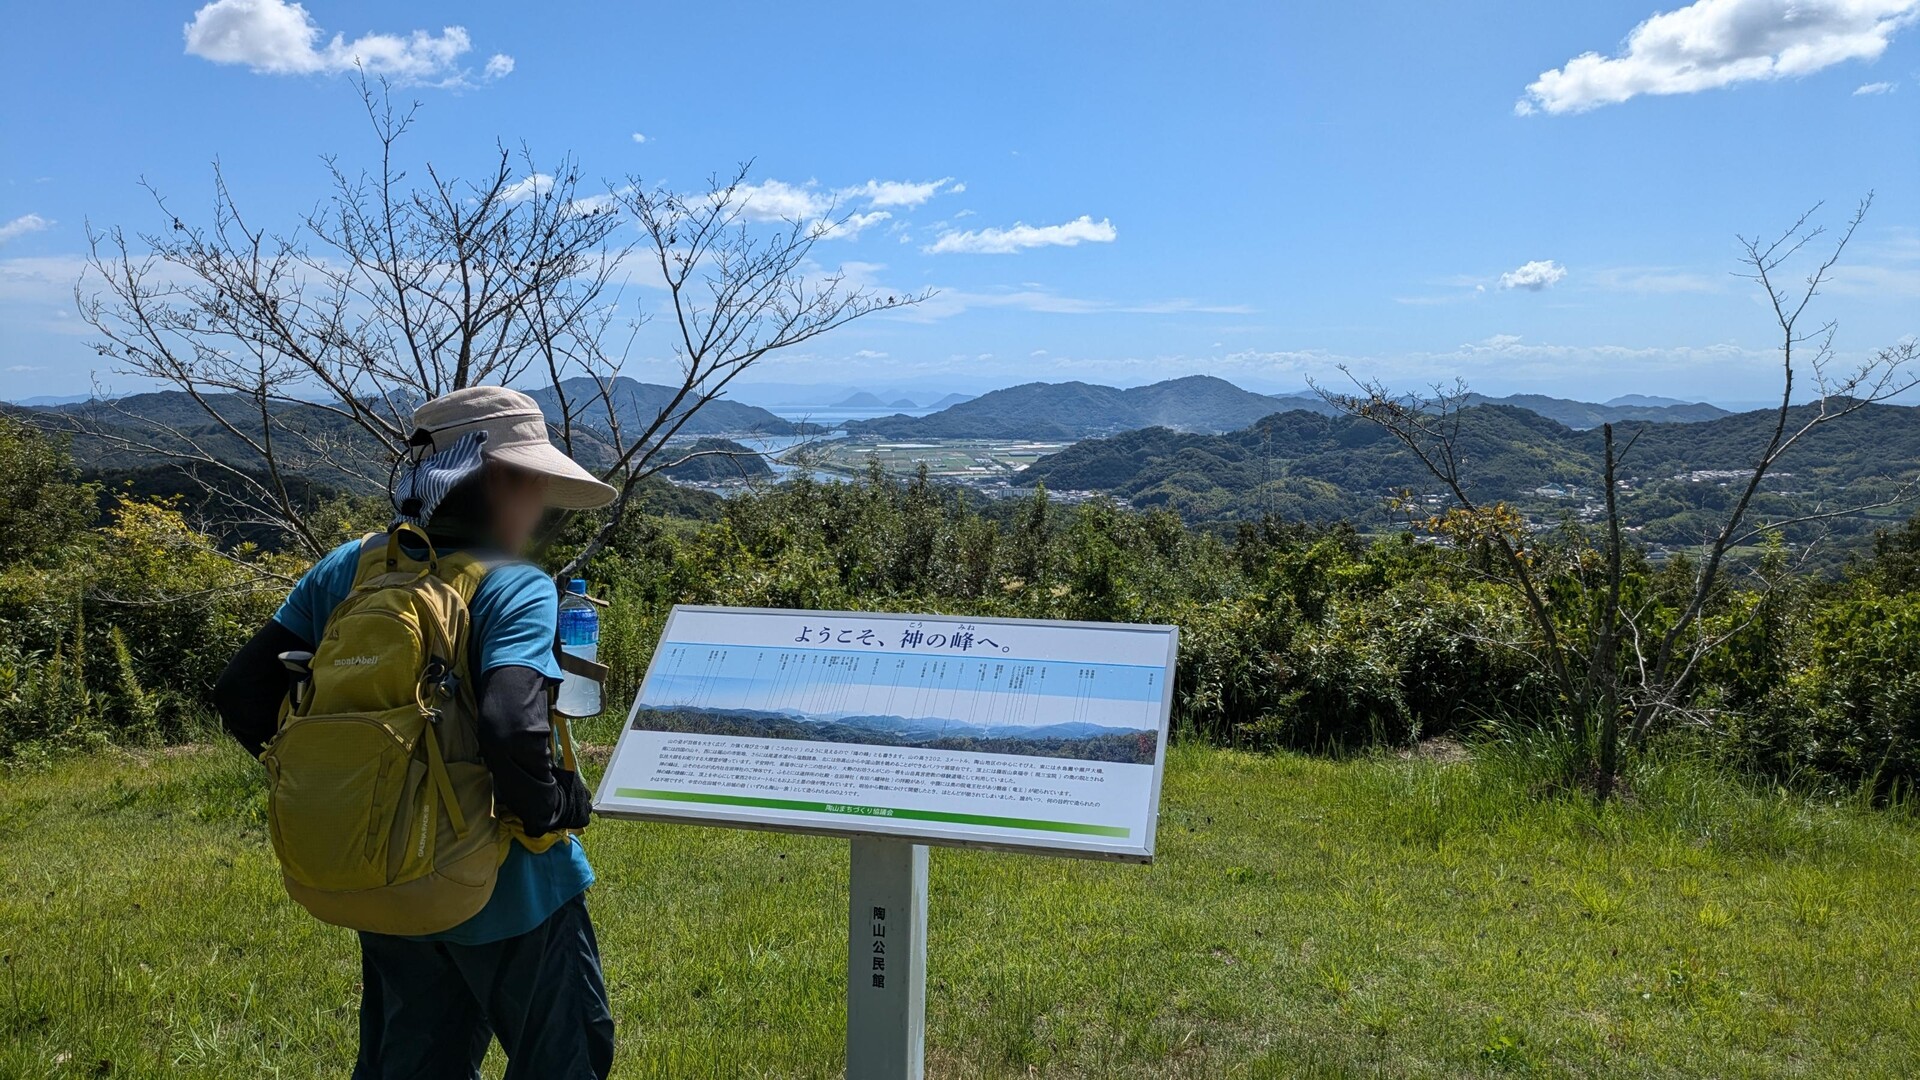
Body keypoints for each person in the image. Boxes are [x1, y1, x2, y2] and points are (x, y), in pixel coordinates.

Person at [214, 386, 618, 1079]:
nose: (540, 509)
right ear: (501, 484)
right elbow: (510, 722)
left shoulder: (352, 566)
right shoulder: (514, 583)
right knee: (567, 1058)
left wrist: (354, 783)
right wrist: (554, 805)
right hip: (512, 888)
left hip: (389, 872)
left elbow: (242, 694)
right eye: (534, 486)